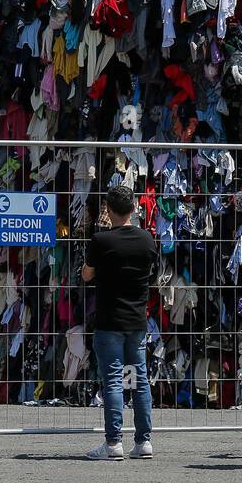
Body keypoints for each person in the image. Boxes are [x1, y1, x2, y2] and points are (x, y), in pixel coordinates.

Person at [82, 186, 158, 460]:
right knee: (138, 380)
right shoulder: (147, 240)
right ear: (134, 208)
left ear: (108, 210)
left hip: (109, 320)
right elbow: (154, 275)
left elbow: (86, 275)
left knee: (113, 380)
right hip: (136, 321)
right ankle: (143, 442)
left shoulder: (101, 241)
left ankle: (114, 443)